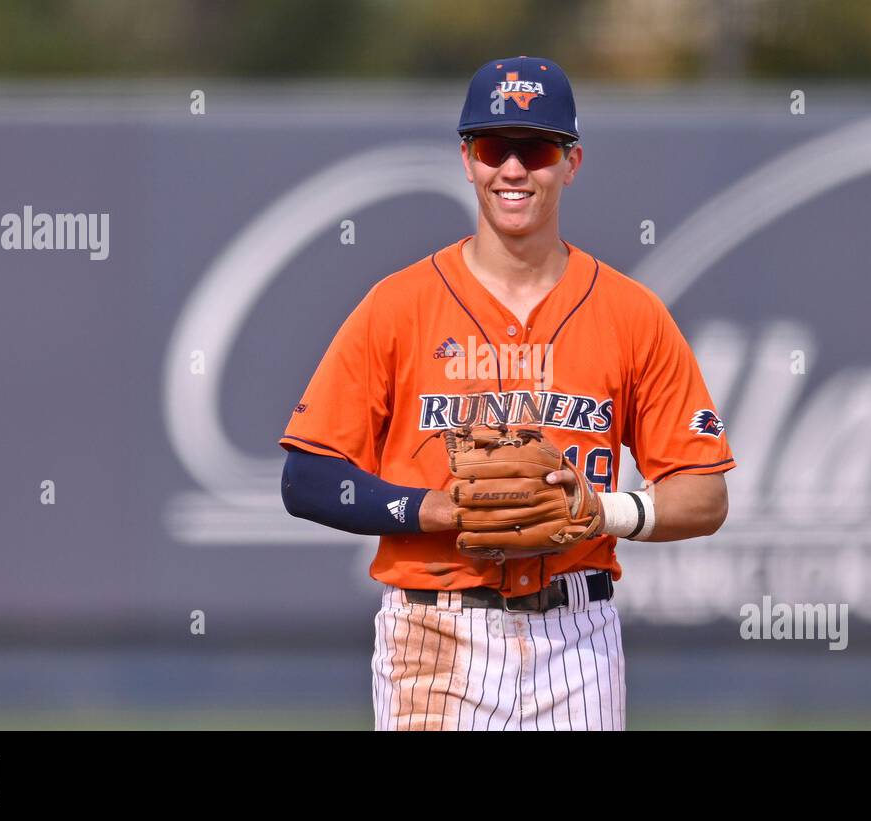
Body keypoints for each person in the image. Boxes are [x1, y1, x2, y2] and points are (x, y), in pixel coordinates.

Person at [279, 56, 735, 730]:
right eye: (495, 147)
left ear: (571, 162)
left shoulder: (629, 313)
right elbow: (307, 477)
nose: (514, 169)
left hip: (578, 635)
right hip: (434, 634)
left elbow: (705, 493)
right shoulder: (398, 306)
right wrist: (428, 508)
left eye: (537, 149)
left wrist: (602, 511)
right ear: (468, 159)